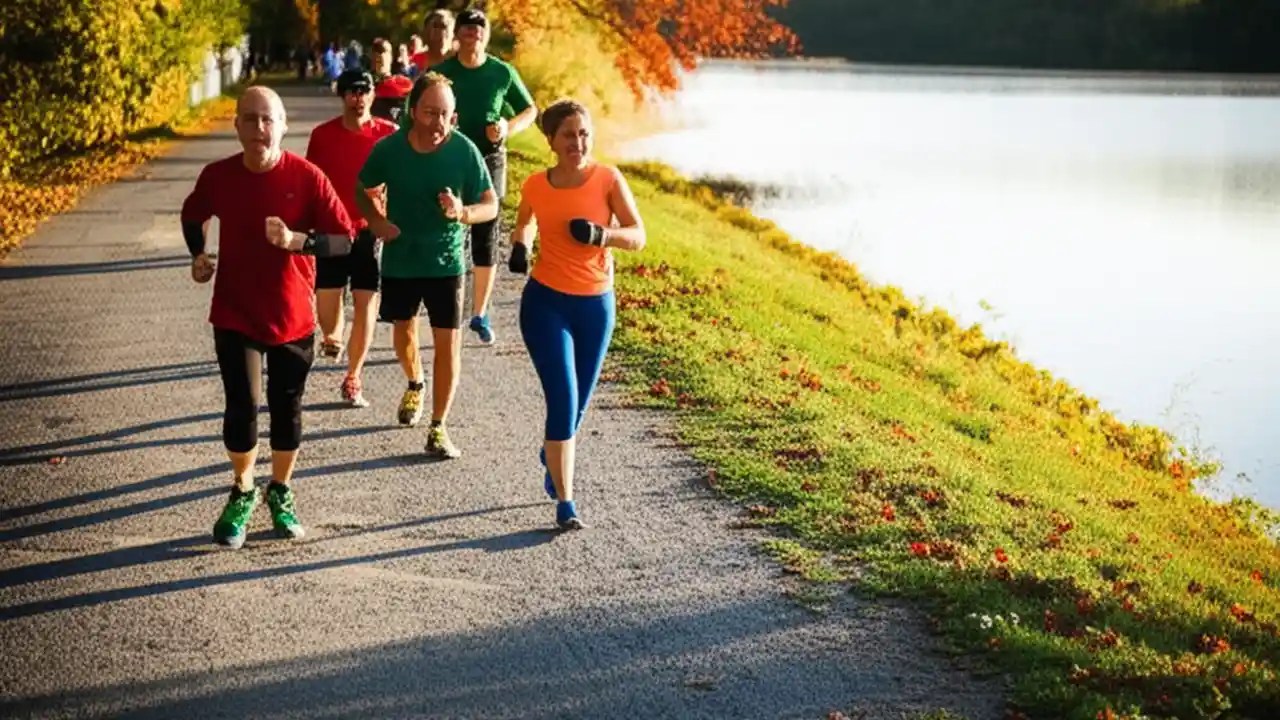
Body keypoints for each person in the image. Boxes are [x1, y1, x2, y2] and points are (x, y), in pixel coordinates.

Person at [181, 87, 355, 548]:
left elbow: (344, 240)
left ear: (282, 125)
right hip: (235, 311)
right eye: (250, 119)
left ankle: (280, 489)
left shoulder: (308, 176)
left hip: (293, 316)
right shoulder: (217, 176)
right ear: (236, 125)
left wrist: (300, 241)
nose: (259, 129)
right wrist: (198, 253)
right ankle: (242, 490)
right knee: (241, 404)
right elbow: (193, 213)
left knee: (286, 407)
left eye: (267, 120)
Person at [509, 99, 646, 530]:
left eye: (584, 133)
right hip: (546, 304)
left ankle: (553, 447)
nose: (578, 142)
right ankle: (566, 503)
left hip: (595, 306)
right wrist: (520, 247)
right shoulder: (535, 184)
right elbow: (525, 222)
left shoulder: (608, 178)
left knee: (578, 407)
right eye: (568, 134)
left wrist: (602, 235)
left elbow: (638, 235)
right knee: (563, 400)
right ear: (550, 140)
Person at [355, 72, 498, 457]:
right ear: (412, 111)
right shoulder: (390, 150)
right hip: (402, 260)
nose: (439, 123)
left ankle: (439, 427)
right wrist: (377, 222)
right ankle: (415, 382)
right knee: (403, 335)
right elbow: (362, 186)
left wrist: (463, 212)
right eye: (431, 112)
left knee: (447, 344)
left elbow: (492, 205)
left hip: (447, 262)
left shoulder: (465, 151)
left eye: (447, 115)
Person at [431, 8, 537, 345]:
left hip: (490, 157)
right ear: (457, 35)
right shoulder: (440, 73)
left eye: (480, 28)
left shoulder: (501, 72)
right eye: (467, 28)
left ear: (486, 36)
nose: (473, 33)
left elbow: (530, 110)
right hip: (450, 155)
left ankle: (479, 313)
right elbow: (417, 108)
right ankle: (445, 302)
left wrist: (507, 128)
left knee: (485, 233)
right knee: (447, 226)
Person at [305, 69, 398, 407]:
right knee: (327, 305)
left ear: (373, 95)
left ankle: (354, 377)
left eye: (365, 91)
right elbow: (311, 183)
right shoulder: (322, 136)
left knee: (365, 303)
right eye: (352, 91)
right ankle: (332, 336)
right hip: (332, 228)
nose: (358, 97)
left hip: (369, 231)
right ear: (342, 95)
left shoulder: (389, 135)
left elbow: (402, 180)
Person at [371, 39, 413, 123]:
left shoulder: (404, 85)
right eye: (376, 52)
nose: (380, 56)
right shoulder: (365, 86)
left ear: (391, 57)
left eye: (384, 52)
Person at [410, 10, 454, 75]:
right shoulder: (415, 62)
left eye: (444, 26)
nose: (440, 31)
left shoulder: (461, 61)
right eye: (435, 26)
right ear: (425, 32)